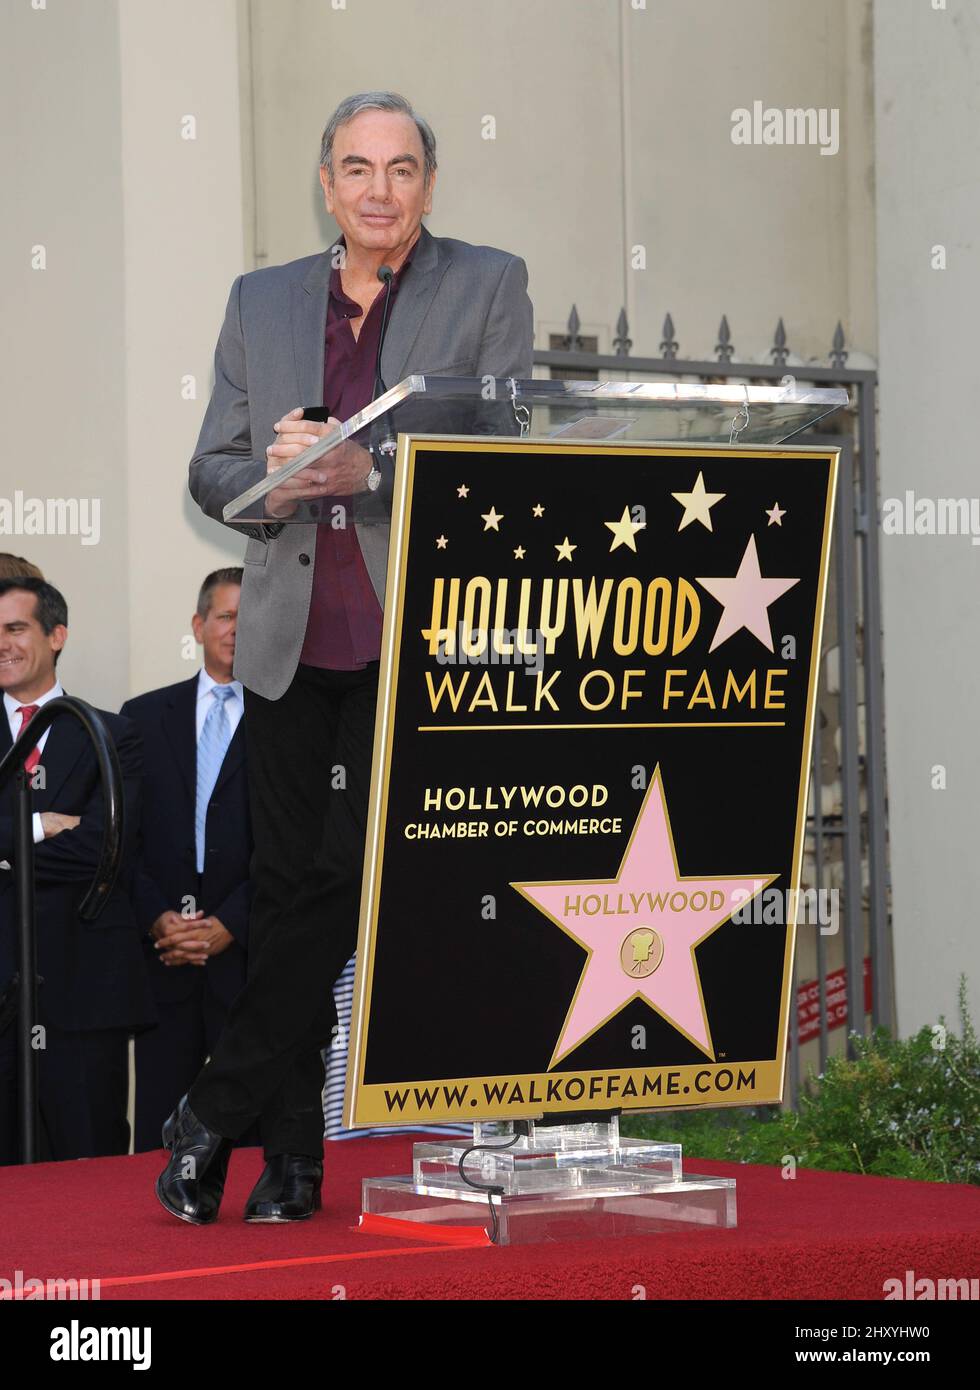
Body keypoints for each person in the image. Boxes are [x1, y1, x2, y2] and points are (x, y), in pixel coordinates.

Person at [156, 90, 533, 1224]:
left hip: (409, 643)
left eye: (402, 168)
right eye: (357, 169)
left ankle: (207, 1112)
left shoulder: (486, 282)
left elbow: (507, 437)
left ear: (429, 181)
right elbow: (210, 466)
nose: (379, 190)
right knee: (287, 896)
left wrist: (368, 473)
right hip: (283, 647)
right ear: (325, 183)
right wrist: (272, 480)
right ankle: (293, 1164)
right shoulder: (260, 299)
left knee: (329, 883)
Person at [0, 577, 153, 1163]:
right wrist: (42, 827)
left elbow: (104, 850)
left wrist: (10, 846)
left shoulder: (111, 733)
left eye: (17, 629)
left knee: (89, 1173)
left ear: (56, 635)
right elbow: (71, 844)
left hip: (84, 990)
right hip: (2, 992)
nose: (5, 644)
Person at [122, 568, 256, 1152]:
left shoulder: (290, 722)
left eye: (250, 618)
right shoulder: (143, 716)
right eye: (226, 616)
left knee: (251, 1128)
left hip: (250, 956)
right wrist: (157, 917)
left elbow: (294, 846)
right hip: (163, 956)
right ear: (199, 626)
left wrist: (233, 921)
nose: (237, 629)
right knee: (157, 1130)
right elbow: (123, 839)